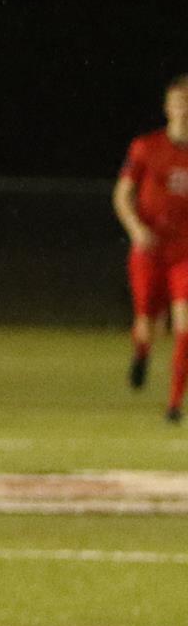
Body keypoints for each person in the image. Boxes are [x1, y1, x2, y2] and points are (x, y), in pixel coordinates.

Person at [112, 74, 188, 423]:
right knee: (148, 324)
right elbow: (122, 195)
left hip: (184, 252)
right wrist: (136, 229)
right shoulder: (146, 147)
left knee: (184, 322)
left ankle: (174, 405)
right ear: (167, 107)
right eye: (178, 102)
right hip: (150, 249)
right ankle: (142, 353)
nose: (183, 109)